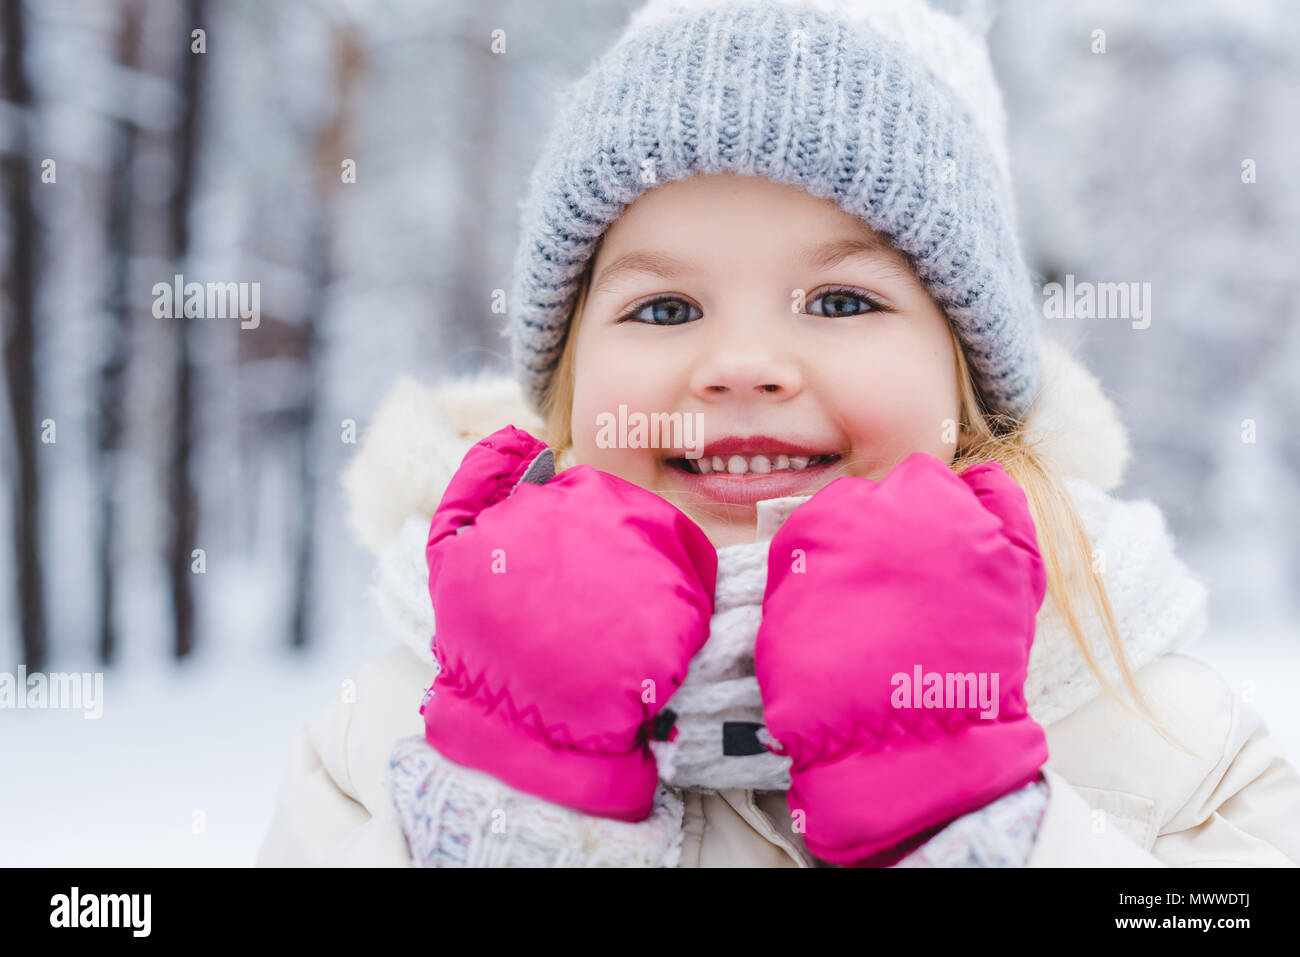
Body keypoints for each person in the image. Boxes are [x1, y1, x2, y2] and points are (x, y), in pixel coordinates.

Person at [255, 0, 1300, 867]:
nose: (742, 362)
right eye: (664, 309)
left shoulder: (1141, 722)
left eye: (840, 302)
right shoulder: (404, 725)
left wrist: (963, 815)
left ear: (966, 374)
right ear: (568, 384)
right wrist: (522, 800)